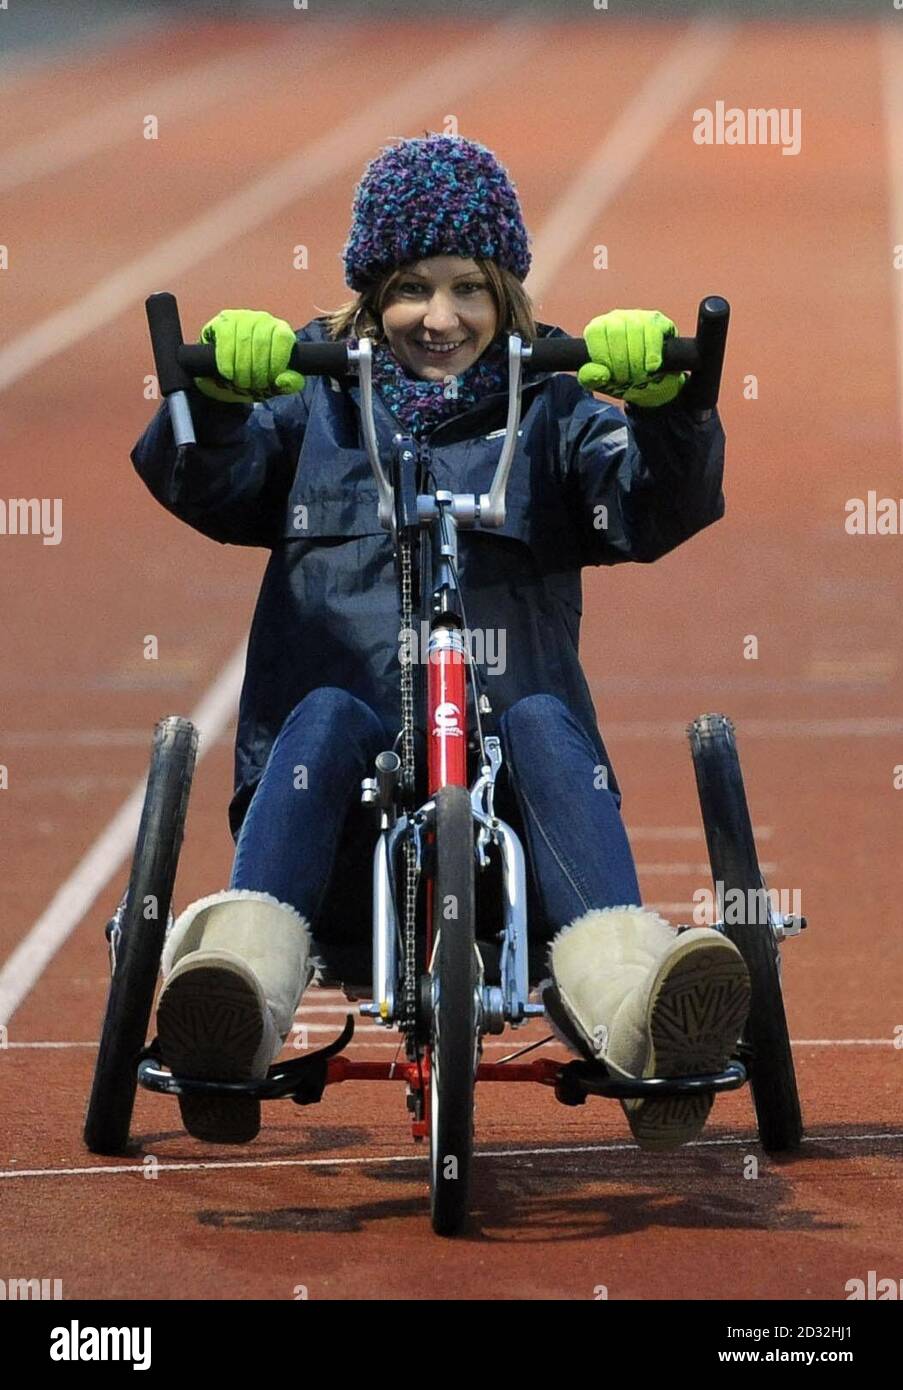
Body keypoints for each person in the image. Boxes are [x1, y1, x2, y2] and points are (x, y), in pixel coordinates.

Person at [131, 134, 750, 1150]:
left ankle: (641, 1014)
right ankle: (236, 995)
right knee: (326, 713)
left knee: (548, 721)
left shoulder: (549, 409)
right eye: (411, 287)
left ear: (508, 294)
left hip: (517, 837)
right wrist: (219, 395)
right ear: (370, 298)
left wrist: (666, 410)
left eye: (470, 287)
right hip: (334, 824)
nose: (441, 316)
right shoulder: (313, 404)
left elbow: (646, 506)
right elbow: (208, 478)